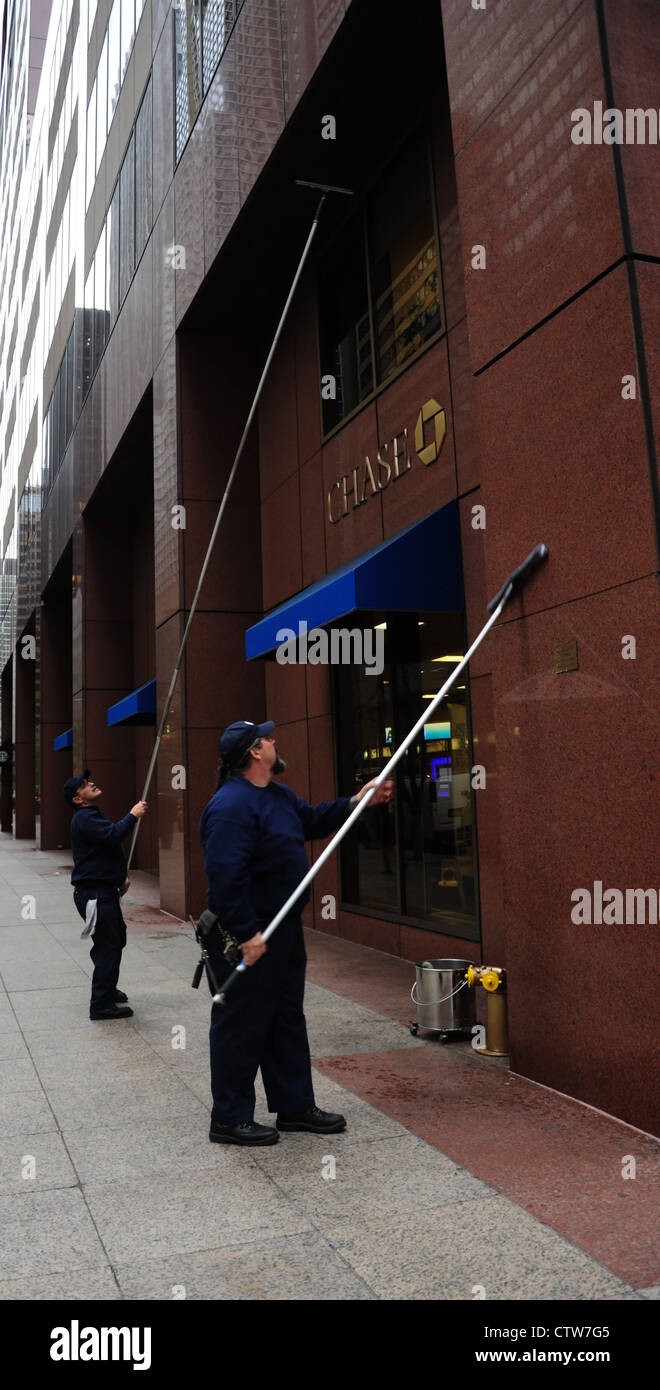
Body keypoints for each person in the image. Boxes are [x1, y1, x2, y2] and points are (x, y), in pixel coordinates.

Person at [199, 719, 393, 1147]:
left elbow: (310, 820)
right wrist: (247, 932)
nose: (274, 741)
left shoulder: (277, 794)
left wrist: (356, 802)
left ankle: (293, 1106)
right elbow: (224, 879)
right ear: (254, 752)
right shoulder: (231, 806)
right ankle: (229, 1118)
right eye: (267, 738)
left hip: (282, 930)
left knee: (285, 1016)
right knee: (240, 1023)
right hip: (246, 935)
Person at [63, 771, 148, 1020]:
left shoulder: (88, 816)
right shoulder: (85, 818)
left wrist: (119, 877)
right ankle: (101, 1004)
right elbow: (113, 836)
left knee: (114, 940)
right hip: (95, 895)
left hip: (102, 891)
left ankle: (107, 989)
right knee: (108, 946)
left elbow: (103, 849)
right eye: (84, 785)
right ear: (78, 799)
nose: (91, 783)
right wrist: (133, 815)